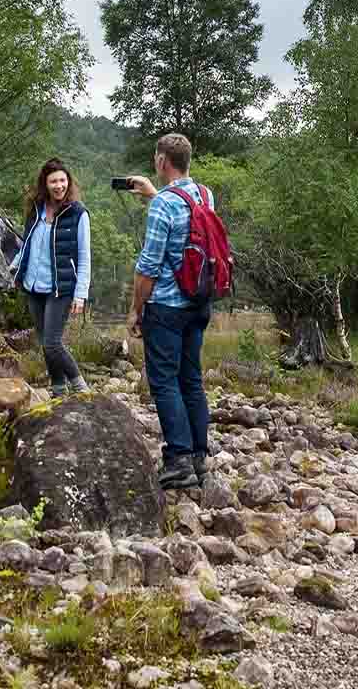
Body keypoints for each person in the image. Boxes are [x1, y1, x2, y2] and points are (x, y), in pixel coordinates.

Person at [127, 133, 213, 490]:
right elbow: (186, 222)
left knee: (163, 381)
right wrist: (153, 194)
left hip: (166, 305)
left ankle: (177, 459)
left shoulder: (163, 205)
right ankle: (198, 458)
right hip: (199, 302)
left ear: (162, 161)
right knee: (191, 379)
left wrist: (136, 309)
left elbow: (149, 264)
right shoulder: (206, 195)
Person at [10, 157, 91, 395]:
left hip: (62, 287)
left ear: (69, 182)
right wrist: (15, 268)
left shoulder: (78, 214)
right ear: (45, 184)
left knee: (52, 342)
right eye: (53, 181)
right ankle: (58, 387)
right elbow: (27, 244)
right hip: (34, 285)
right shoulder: (35, 209)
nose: (59, 186)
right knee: (45, 339)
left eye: (62, 180)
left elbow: (85, 257)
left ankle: (80, 387)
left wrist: (81, 294)